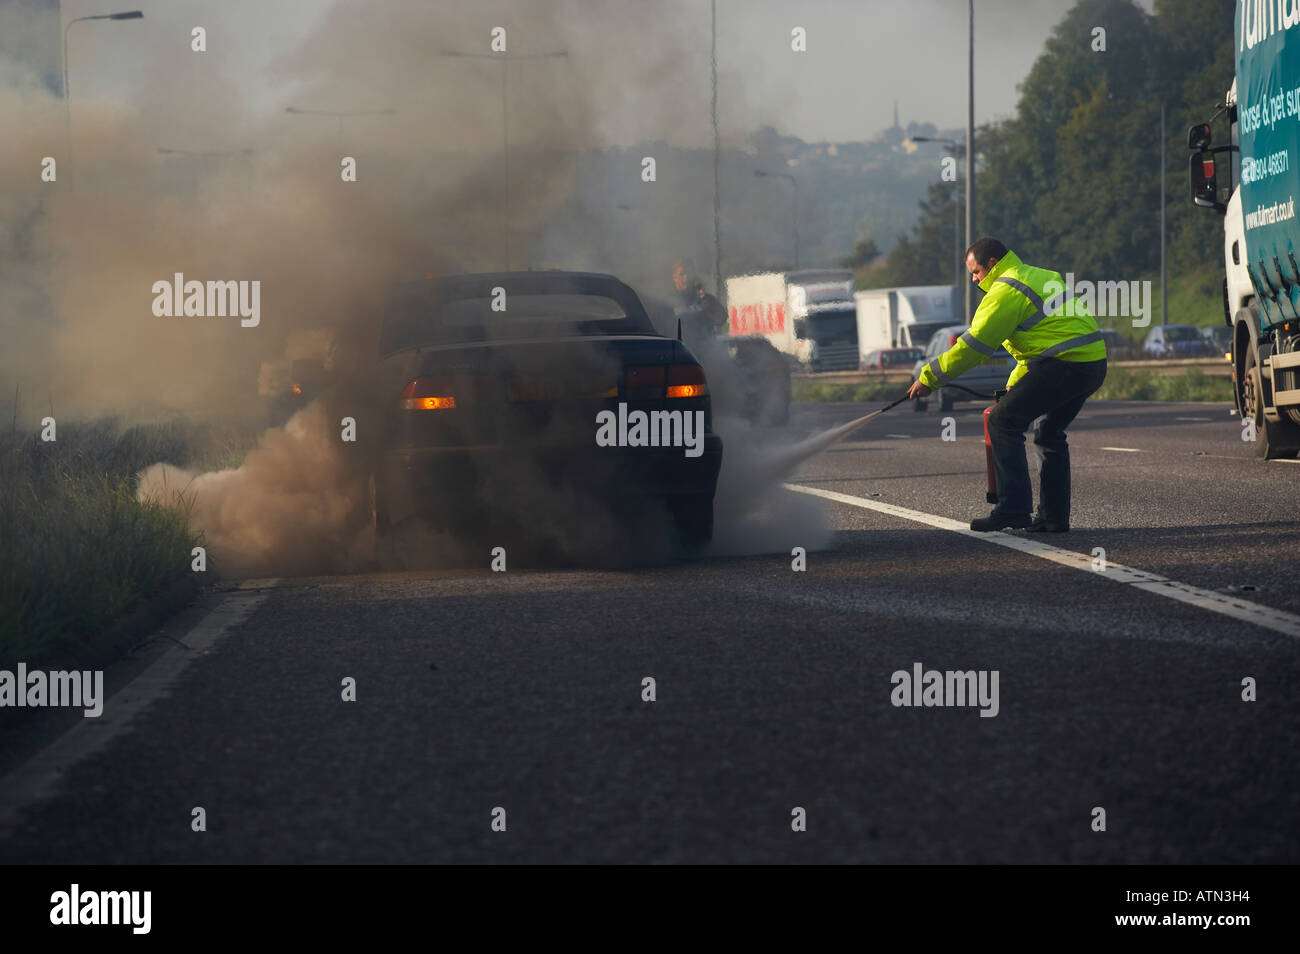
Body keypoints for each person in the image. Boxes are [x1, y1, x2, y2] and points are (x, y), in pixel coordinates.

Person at [907, 237, 1108, 532]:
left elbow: (974, 346)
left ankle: (1013, 509)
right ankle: (1053, 518)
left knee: (1002, 422)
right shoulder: (1039, 275)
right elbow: (1037, 347)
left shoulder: (1006, 290)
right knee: (1048, 433)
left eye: (976, 272)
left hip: (1064, 364)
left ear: (992, 263)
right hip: (1092, 362)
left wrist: (929, 378)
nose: (975, 280)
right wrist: (1015, 385)